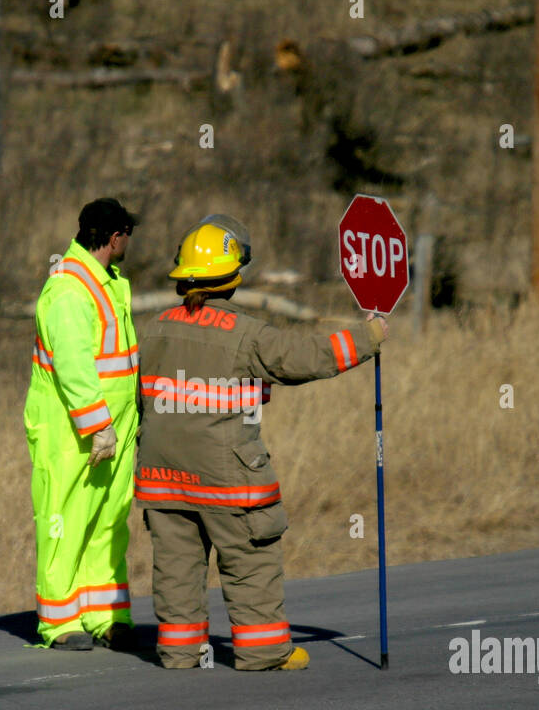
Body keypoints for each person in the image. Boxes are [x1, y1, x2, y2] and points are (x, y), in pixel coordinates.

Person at [135, 214, 388, 670]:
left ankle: (179, 650)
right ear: (233, 278)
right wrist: (366, 337)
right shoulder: (246, 333)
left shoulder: (151, 330)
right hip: (227, 479)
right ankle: (264, 650)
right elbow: (304, 358)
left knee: (176, 569)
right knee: (250, 561)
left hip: (162, 477)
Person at [24, 198, 141, 651]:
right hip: (70, 431)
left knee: (108, 521)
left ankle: (104, 614)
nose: (129, 242)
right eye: (127, 235)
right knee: (64, 520)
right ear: (115, 239)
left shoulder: (106, 282)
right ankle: (59, 621)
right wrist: (99, 425)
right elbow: (74, 366)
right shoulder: (71, 290)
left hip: (113, 428)